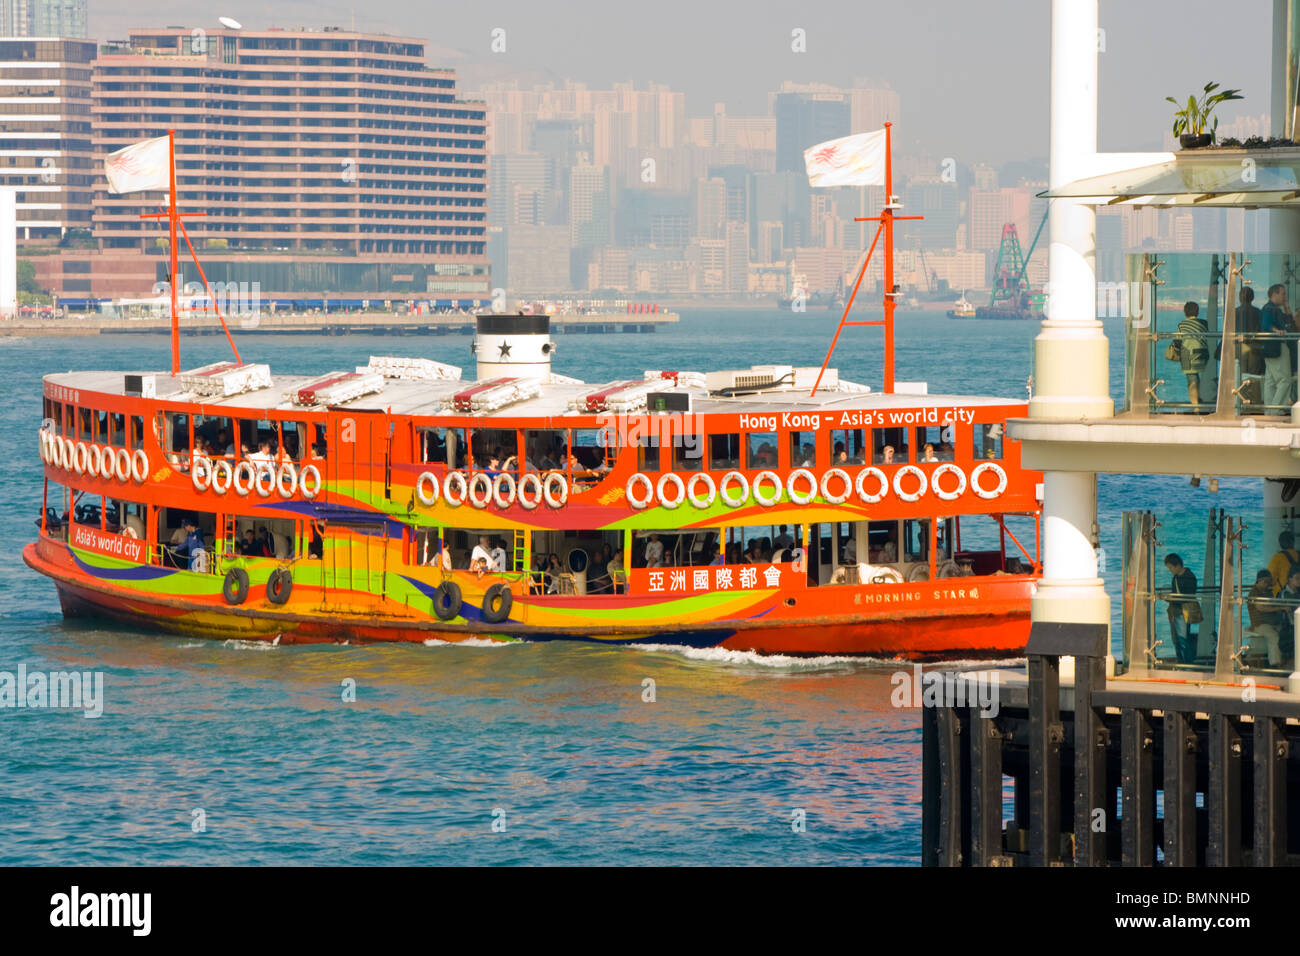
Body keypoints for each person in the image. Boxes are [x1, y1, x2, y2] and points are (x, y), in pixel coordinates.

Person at [1260, 283, 1294, 410]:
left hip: (1270, 349)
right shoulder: (1270, 309)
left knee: (1271, 381)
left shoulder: (1273, 309)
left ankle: (1270, 411)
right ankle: (1275, 410)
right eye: (1283, 294)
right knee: (1284, 380)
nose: (1285, 297)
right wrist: (1276, 331)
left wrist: (1286, 307)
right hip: (1277, 347)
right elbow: (1266, 325)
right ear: (1274, 294)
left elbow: (1290, 324)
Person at [1163, 553, 1200, 664]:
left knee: (1183, 639)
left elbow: (1188, 596)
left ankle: (1187, 663)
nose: (1170, 570)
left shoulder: (1189, 577)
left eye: (1171, 567)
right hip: (1176, 611)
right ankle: (1182, 661)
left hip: (1183, 612)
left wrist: (1171, 598)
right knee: (1177, 639)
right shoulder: (1176, 577)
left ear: (1177, 565)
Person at [1176, 301, 1211, 409]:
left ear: (1185, 312)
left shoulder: (1182, 325)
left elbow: (1177, 341)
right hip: (1203, 354)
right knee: (1196, 378)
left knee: (1192, 379)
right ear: (1197, 311)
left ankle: (1195, 405)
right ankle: (1197, 399)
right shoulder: (1204, 323)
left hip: (1188, 355)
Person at [1235, 286, 1265, 405]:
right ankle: (1254, 402)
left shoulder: (1234, 312)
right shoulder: (1258, 312)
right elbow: (1261, 329)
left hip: (1238, 346)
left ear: (1239, 298)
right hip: (1254, 347)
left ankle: (1241, 402)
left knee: (1240, 374)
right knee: (1253, 376)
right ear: (1252, 298)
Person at [1267, 530, 1300, 596]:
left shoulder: (1277, 558)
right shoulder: (1298, 554)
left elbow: (1270, 579)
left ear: (1280, 543)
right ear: (1293, 542)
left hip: (1283, 594)